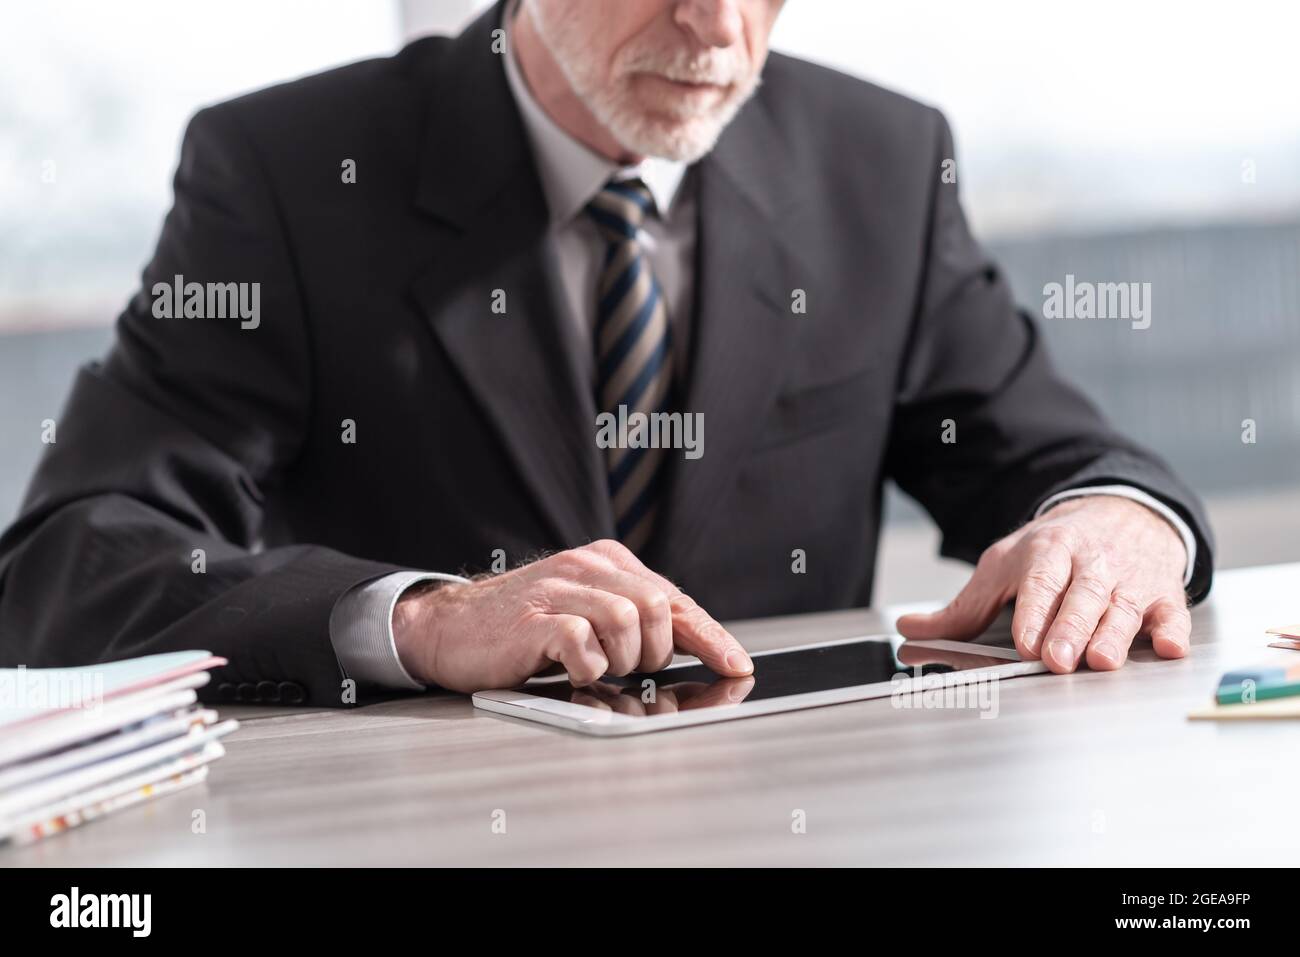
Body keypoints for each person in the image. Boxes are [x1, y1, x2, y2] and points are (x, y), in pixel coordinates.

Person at [0, 0, 1211, 706]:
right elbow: (72, 561)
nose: (715, 27)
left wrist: (1119, 519)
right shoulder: (290, 170)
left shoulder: (878, 161)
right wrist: (421, 620)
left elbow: (1058, 456)